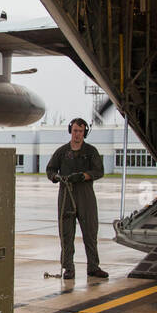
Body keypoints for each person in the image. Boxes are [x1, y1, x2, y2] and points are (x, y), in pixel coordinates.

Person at [46, 117, 108, 280]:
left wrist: (84, 176)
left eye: (80, 131)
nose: (77, 134)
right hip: (66, 194)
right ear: (70, 131)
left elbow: (99, 171)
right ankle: (68, 268)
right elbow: (50, 169)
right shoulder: (61, 151)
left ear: (84, 132)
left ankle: (93, 267)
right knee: (66, 233)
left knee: (90, 232)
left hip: (85, 195)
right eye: (75, 131)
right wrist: (56, 177)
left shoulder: (91, 151)